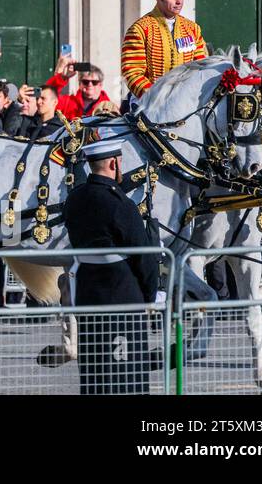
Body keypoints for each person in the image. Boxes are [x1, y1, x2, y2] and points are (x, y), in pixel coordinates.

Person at [63, 138, 161, 394]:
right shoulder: (120, 204)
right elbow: (144, 256)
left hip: (87, 293)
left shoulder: (75, 199)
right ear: (114, 163)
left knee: (94, 370)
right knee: (124, 374)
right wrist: (150, 295)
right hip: (122, 298)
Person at [121, 0, 207, 99]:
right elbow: (132, 72)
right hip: (148, 104)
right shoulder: (140, 29)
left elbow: (201, 67)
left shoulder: (193, 29)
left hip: (185, 102)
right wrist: (156, 97)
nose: (179, 1)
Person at [46, 55, 111, 119]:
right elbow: (47, 97)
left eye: (94, 82)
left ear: (100, 85)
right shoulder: (67, 103)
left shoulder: (109, 107)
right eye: (85, 82)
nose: (90, 84)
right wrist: (62, 77)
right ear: (80, 84)